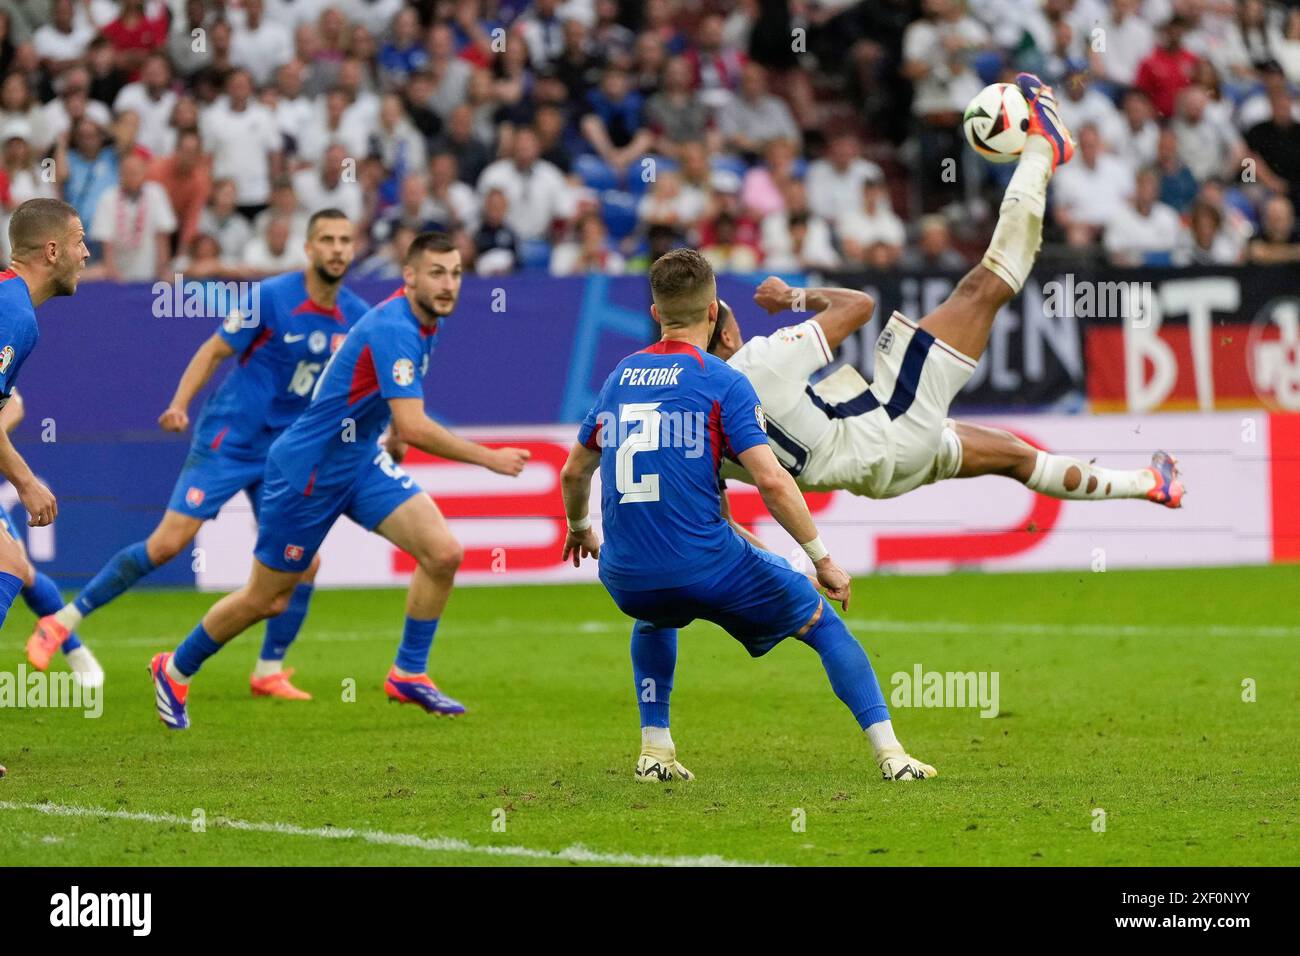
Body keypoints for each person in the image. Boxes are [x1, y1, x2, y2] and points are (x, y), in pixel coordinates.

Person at [707, 75, 1185, 513]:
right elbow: (857, 305)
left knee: (1015, 457)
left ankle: (1147, 483)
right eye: (730, 320)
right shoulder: (757, 363)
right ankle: (1044, 146)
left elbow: (719, 505)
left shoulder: (698, 420)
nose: (739, 326)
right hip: (889, 429)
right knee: (984, 286)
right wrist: (791, 296)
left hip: (877, 471)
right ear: (726, 339)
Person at [558, 248, 936, 784]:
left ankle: (654, 750)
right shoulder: (723, 380)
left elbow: (574, 473)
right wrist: (822, 560)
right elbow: (773, 480)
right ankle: (892, 754)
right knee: (822, 624)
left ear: (653, 312)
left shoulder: (620, 376)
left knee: (657, 611)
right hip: (705, 565)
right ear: (713, 312)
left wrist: (579, 529)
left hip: (626, 578)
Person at [149, 232, 531, 730]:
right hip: (307, 472)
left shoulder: (422, 323)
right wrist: (488, 458)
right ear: (410, 276)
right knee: (267, 599)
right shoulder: (396, 326)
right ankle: (175, 668)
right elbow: (416, 425)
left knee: (443, 553)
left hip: (358, 462)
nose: (449, 284)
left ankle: (408, 672)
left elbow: (389, 401)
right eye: (437, 272)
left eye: (456, 273)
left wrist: (389, 431)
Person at [28, 211, 370, 701]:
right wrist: (179, 403)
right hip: (230, 439)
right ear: (309, 248)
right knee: (168, 543)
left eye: (345, 239)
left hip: (284, 453)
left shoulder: (355, 316)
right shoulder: (271, 297)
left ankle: (269, 670)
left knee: (305, 566)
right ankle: (61, 622)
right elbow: (213, 351)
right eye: (327, 240)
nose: (337, 248)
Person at [0, 199, 88, 774]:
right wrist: (27, 481)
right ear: (51, 251)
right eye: (80, 241)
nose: (87, 253)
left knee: (9, 564)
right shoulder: (14, 314)